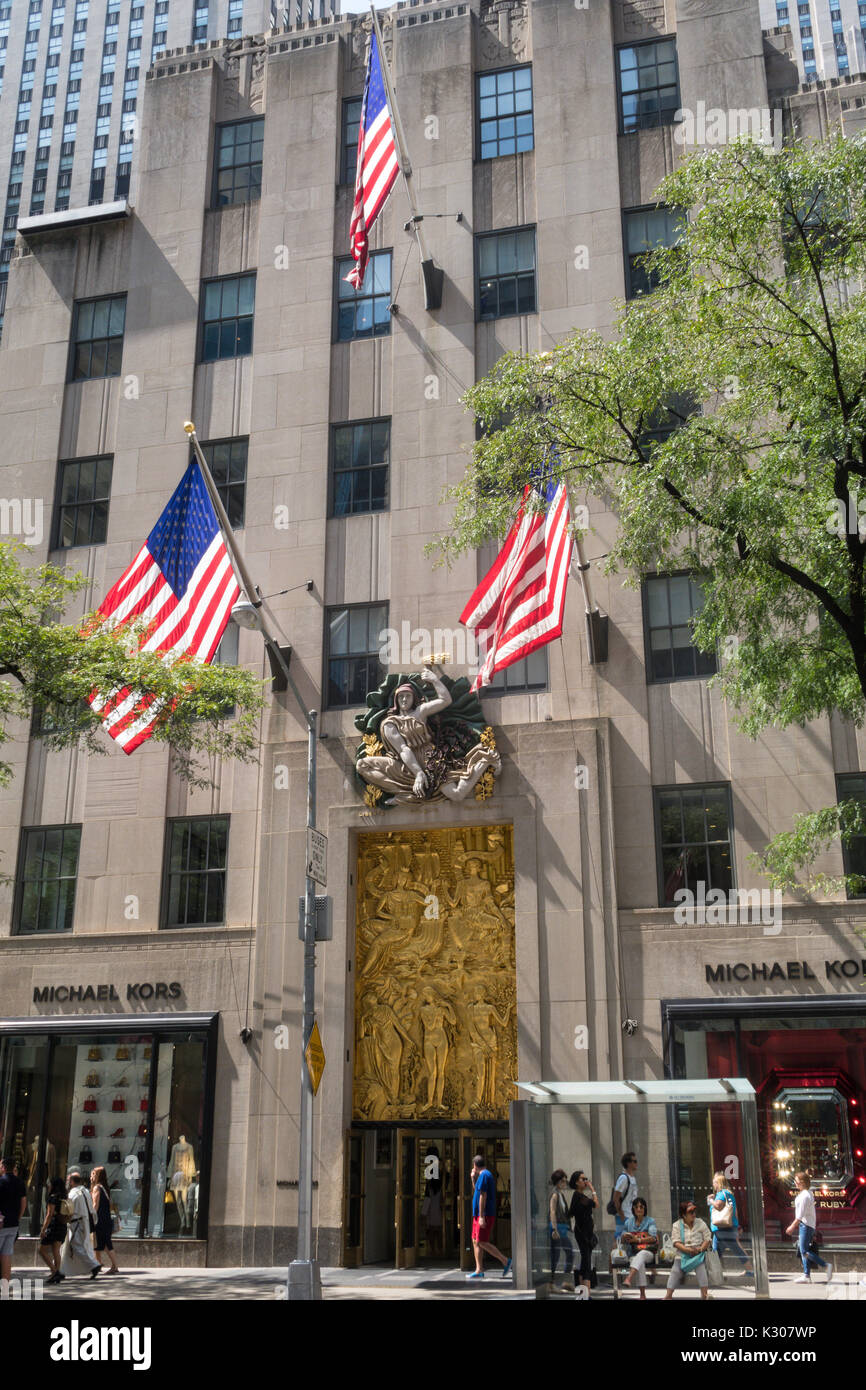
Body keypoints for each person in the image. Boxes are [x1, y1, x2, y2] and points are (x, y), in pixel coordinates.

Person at [467, 1154, 511, 1280]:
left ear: (475, 1165)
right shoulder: (482, 1176)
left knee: (482, 1241)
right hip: (478, 1215)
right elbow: (477, 1190)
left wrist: (481, 1216)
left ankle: (505, 1261)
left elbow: (483, 1196)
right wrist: (473, 1179)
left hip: (484, 1215)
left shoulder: (485, 1175)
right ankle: (479, 1269)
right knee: (475, 1240)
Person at [786, 1172, 833, 1285]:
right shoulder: (805, 1194)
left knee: (804, 1250)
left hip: (806, 1225)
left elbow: (800, 1215)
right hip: (806, 1225)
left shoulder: (805, 1195)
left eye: (796, 1181)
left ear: (802, 1182)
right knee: (804, 1250)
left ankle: (825, 1266)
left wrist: (792, 1226)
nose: (795, 1183)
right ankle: (806, 1275)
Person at [664, 1200, 713, 1300]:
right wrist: (688, 1250)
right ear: (683, 1215)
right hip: (682, 1255)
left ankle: (705, 1295)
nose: (694, 1214)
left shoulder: (700, 1222)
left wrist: (700, 1249)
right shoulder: (677, 1225)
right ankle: (668, 1296)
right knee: (675, 1271)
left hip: (698, 1255)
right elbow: (676, 1242)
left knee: (701, 1270)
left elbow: (707, 1238)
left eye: (694, 1211)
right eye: (691, 1212)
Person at [706, 1171, 752, 1276]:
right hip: (725, 1228)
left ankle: (750, 1270)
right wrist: (737, 1225)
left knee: (733, 1250)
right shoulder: (728, 1194)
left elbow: (718, 1206)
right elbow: (734, 1211)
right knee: (716, 1252)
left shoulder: (722, 1194)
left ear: (718, 1183)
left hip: (723, 1228)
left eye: (714, 1182)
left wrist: (711, 1200)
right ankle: (715, 1272)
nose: (713, 1184)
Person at [60, 1172, 101, 1279]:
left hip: (76, 1223)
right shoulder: (85, 1191)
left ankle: (94, 1265)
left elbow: (68, 1209)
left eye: (69, 1181)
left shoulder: (73, 1194)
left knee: (77, 1246)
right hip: (84, 1222)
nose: (68, 1183)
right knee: (71, 1247)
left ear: (72, 1182)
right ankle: (61, 1270)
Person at [568, 1169, 598, 1297]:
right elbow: (596, 1204)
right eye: (583, 1179)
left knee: (585, 1261)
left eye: (586, 1179)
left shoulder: (580, 1197)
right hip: (583, 1234)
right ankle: (586, 1294)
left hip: (585, 1233)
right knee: (586, 1261)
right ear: (576, 1182)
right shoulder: (579, 1197)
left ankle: (582, 1292)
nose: (585, 1181)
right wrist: (593, 1190)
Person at [622, 1197, 658, 1298]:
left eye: (641, 1207)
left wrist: (638, 1240)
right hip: (633, 1253)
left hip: (648, 1253)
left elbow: (653, 1238)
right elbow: (622, 1239)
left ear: (645, 1208)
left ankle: (629, 1278)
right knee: (639, 1260)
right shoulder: (628, 1222)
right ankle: (642, 1295)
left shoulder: (650, 1221)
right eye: (636, 1207)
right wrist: (624, 1236)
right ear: (633, 1209)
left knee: (641, 1254)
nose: (639, 1209)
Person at [0, 1154, 27, 1283]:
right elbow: (24, 1203)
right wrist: (18, 1217)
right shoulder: (20, 1182)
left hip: (1, 1223)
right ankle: (4, 1286)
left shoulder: (1, 1181)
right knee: (6, 1255)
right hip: (13, 1224)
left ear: (3, 1167)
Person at [38, 1177, 70, 1285]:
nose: (48, 1185)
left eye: (50, 1184)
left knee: (41, 1250)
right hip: (63, 1225)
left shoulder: (53, 1197)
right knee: (56, 1250)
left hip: (54, 1226)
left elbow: (49, 1214)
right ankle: (56, 1273)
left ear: (53, 1185)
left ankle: (55, 1271)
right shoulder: (64, 1197)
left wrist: (43, 1229)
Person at [548, 1169, 575, 1292]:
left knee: (568, 1253)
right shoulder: (554, 1194)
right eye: (563, 1181)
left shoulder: (560, 1194)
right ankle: (551, 1283)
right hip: (557, 1228)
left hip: (562, 1228)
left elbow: (564, 1213)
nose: (565, 1183)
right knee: (556, 1256)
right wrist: (554, 1229)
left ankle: (564, 1281)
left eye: (565, 1180)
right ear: (558, 1182)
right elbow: (552, 1212)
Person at [90, 1166, 120, 1274]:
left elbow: (95, 1205)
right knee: (98, 1243)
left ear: (98, 1175)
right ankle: (98, 1264)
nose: (91, 1176)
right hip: (105, 1219)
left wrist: (90, 1216)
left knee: (106, 1244)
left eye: (93, 1174)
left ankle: (115, 1266)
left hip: (100, 1220)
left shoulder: (97, 1188)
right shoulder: (104, 1187)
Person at [611, 1151, 638, 1237]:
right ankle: (614, 1251)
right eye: (634, 1161)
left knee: (630, 1239)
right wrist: (621, 1214)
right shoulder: (624, 1178)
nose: (636, 1163)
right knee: (619, 1239)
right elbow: (616, 1197)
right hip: (624, 1214)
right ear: (628, 1163)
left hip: (631, 1214)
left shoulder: (632, 1178)